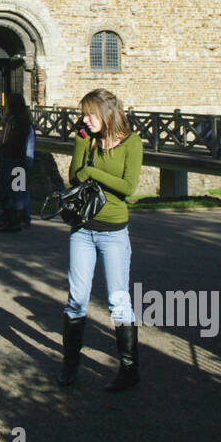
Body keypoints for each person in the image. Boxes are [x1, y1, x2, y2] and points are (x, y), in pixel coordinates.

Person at [59, 89, 143, 389]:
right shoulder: (87, 138)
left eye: (89, 113)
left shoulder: (132, 143)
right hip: (83, 229)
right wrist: (81, 144)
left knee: (118, 300)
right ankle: (70, 365)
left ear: (106, 113)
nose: (85, 119)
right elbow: (74, 176)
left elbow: (128, 186)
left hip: (114, 232)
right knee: (76, 299)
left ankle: (129, 369)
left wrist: (93, 171)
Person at [0, 93, 32, 232]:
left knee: (8, 189)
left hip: (10, 158)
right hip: (21, 158)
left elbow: (5, 139)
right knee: (19, 189)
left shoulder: (12, 120)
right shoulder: (25, 120)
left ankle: (10, 221)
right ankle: (19, 219)